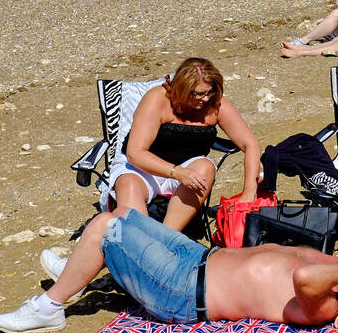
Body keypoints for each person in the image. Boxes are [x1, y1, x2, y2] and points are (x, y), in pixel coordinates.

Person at [0, 203, 338, 333]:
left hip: (184, 291)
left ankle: (50, 307)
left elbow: (302, 278)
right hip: (197, 256)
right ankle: (79, 269)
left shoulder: (326, 302)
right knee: (122, 214)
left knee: (106, 228)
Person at [100, 58, 261, 236]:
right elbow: (135, 153)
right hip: (142, 168)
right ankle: (141, 242)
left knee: (205, 167)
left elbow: (250, 143)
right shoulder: (158, 99)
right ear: (181, 89)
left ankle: (165, 237)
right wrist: (177, 172)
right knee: (129, 185)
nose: (205, 98)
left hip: (186, 169)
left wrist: (249, 192)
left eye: (210, 92)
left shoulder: (214, 105)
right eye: (198, 94)